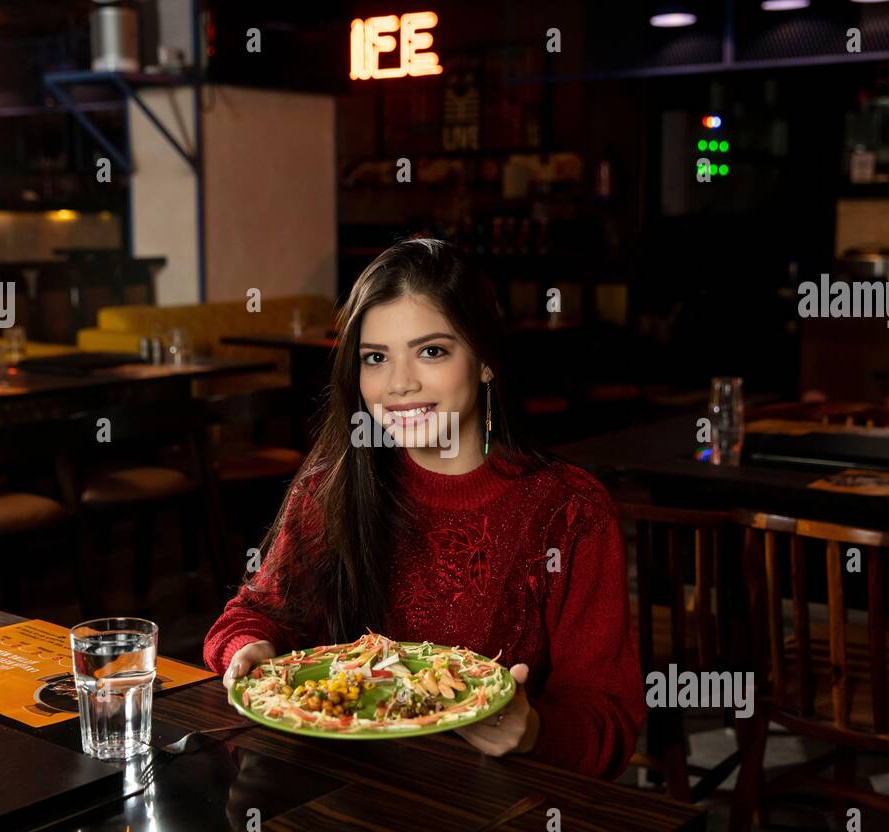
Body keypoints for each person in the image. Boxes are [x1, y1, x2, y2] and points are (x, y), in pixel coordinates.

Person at [202, 238, 644, 778]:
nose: (400, 384)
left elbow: (611, 723)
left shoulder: (571, 510)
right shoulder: (334, 484)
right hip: (342, 794)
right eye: (375, 358)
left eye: (432, 351)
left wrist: (531, 731)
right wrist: (250, 651)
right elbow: (251, 618)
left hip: (502, 811)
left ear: (483, 362)